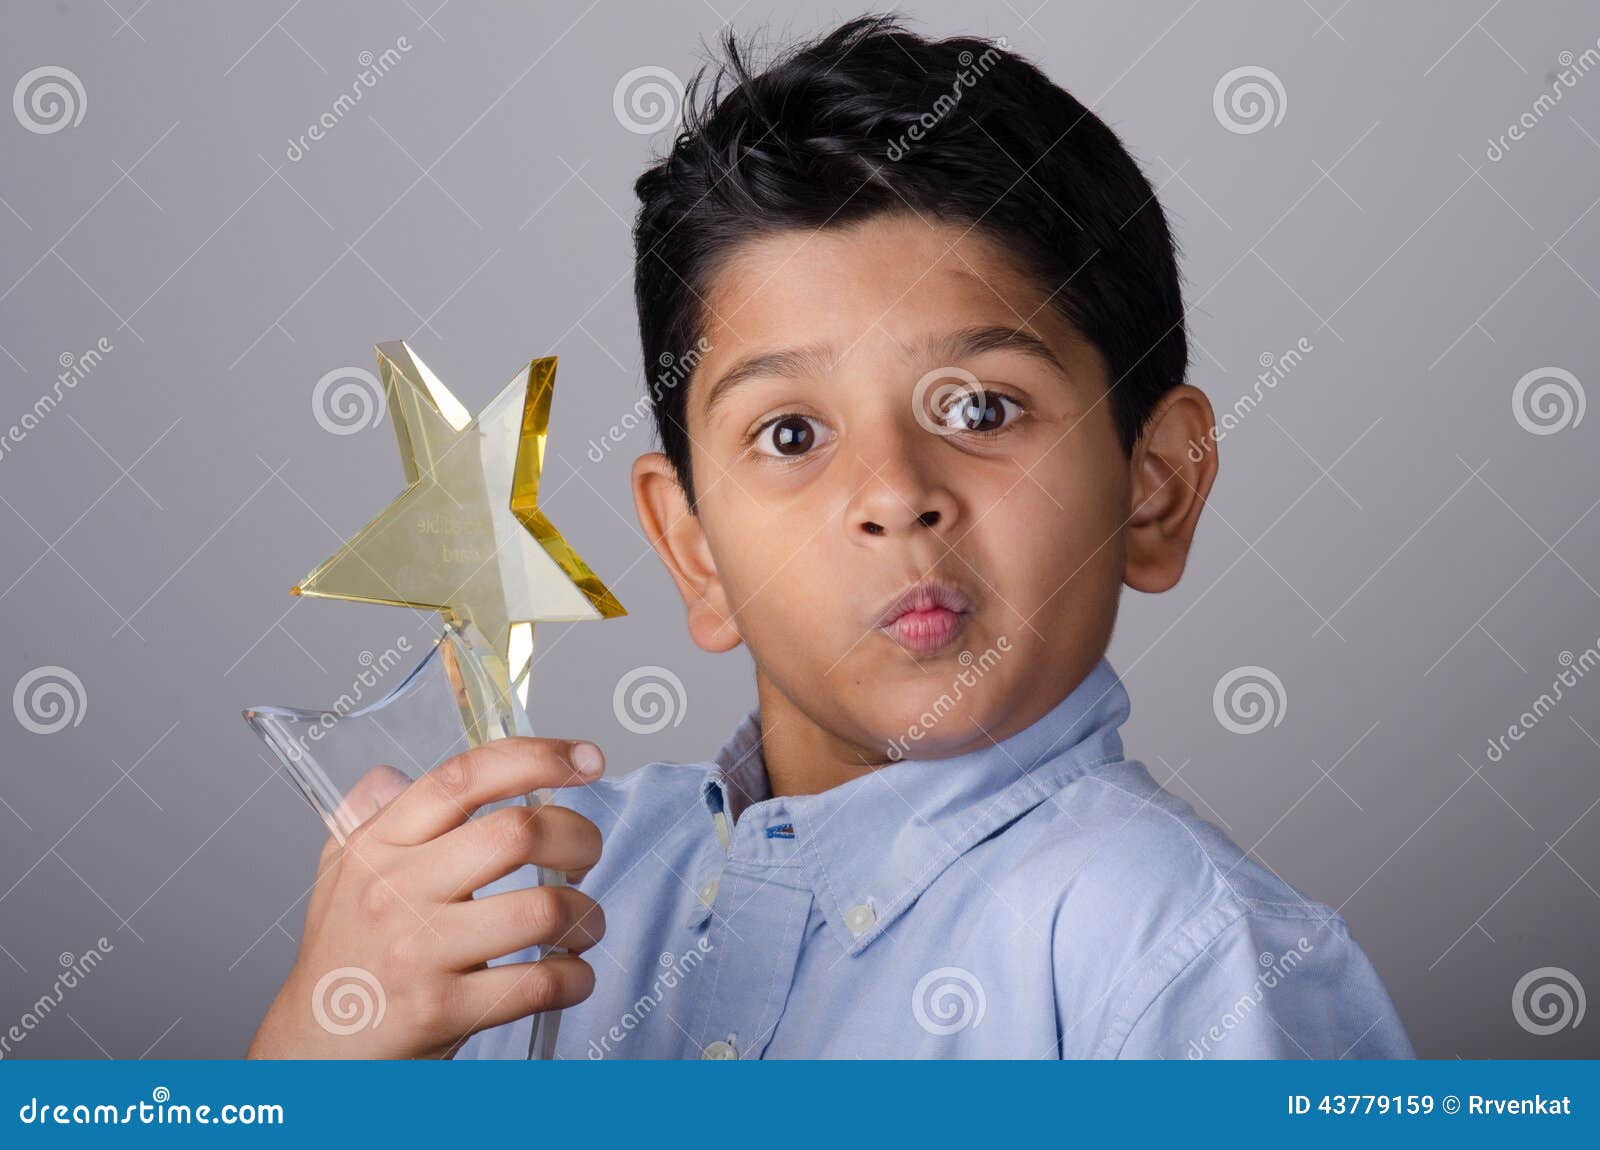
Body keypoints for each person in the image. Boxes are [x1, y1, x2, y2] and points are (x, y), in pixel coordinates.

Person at [249, 14, 1412, 1060]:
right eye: (793, 431)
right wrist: (323, 1040)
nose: (894, 493)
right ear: (693, 545)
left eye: (980, 408)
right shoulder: (524, 899)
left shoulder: (1189, 957)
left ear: (1153, 488)